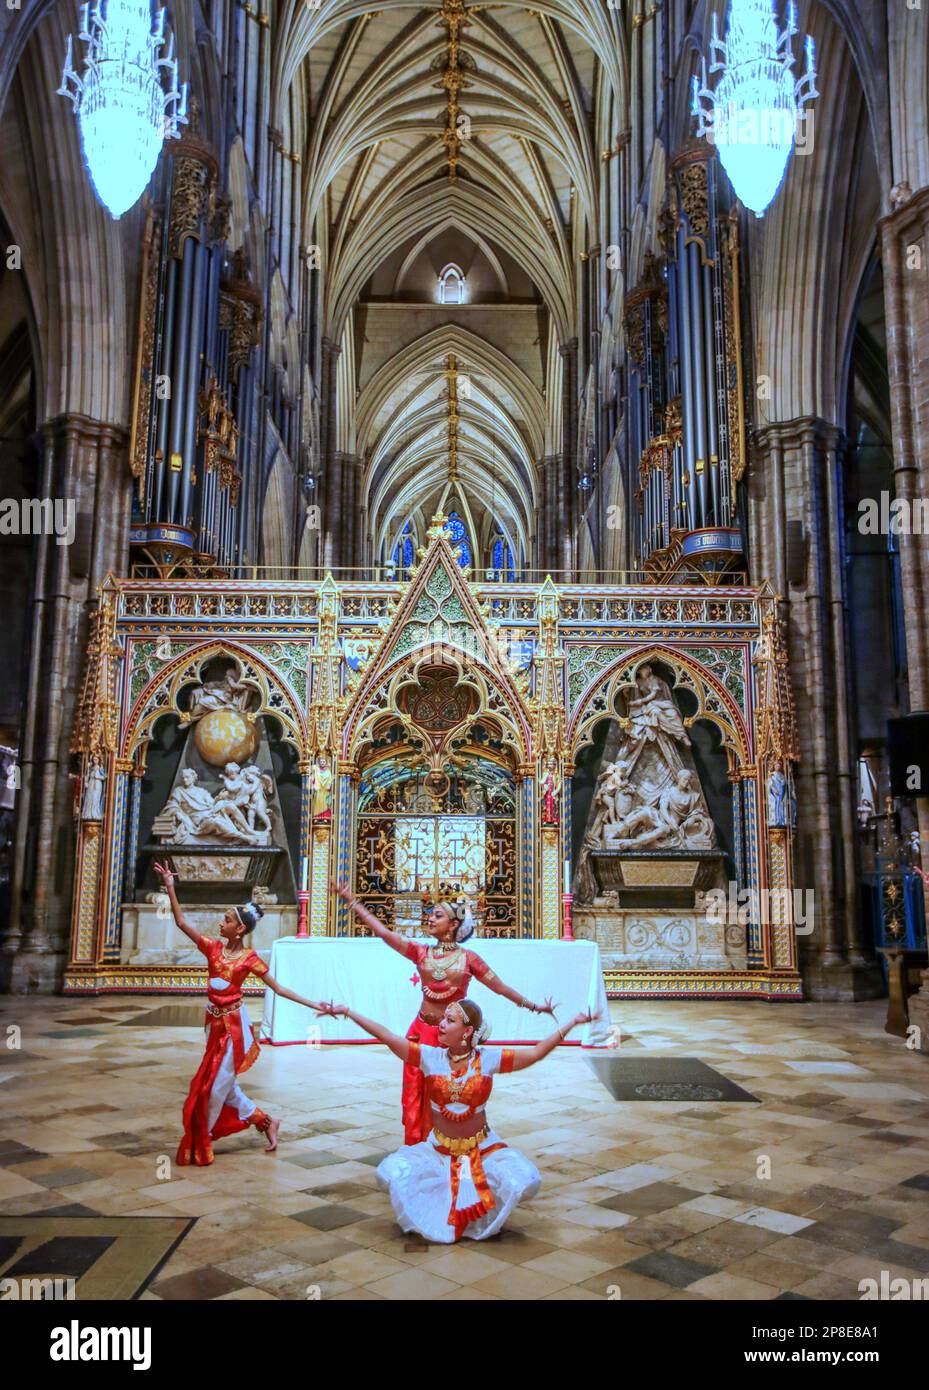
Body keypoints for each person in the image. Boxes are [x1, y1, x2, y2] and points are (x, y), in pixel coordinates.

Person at [316, 996, 597, 1242]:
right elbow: (387, 1036)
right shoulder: (430, 1057)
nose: (441, 1024)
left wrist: (572, 1022)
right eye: (443, 1019)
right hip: (439, 1150)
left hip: (483, 1148)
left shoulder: (488, 1059)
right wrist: (348, 1012)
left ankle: (477, 1212)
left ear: (467, 1031)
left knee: (524, 1180)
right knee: (389, 1173)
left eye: (449, 1021)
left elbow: (535, 1053)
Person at [332, 880, 556, 1144]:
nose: (430, 918)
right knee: (415, 1093)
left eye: (438, 915)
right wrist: (352, 901)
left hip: (450, 1037)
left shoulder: (469, 959)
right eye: (430, 914)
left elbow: (500, 987)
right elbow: (383, 933)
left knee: (443, 1094)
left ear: (453, 925)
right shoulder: (420, 952)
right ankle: (416, 1148)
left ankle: (445, 1145)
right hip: (420, 1032)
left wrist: (533, 1006)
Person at [153, 861, 323, 1165]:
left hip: (234, 1029)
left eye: (227, 919)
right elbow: (181, 923)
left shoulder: (249, 959)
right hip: (213, 1026)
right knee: (225, 1086)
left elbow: (279, 989)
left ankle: (200, 1140)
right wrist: (169, 886)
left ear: (240, 928)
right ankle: (267, 1123)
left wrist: (315, 1005)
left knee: (214, 1086)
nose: (221, 922)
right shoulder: (213, 949)